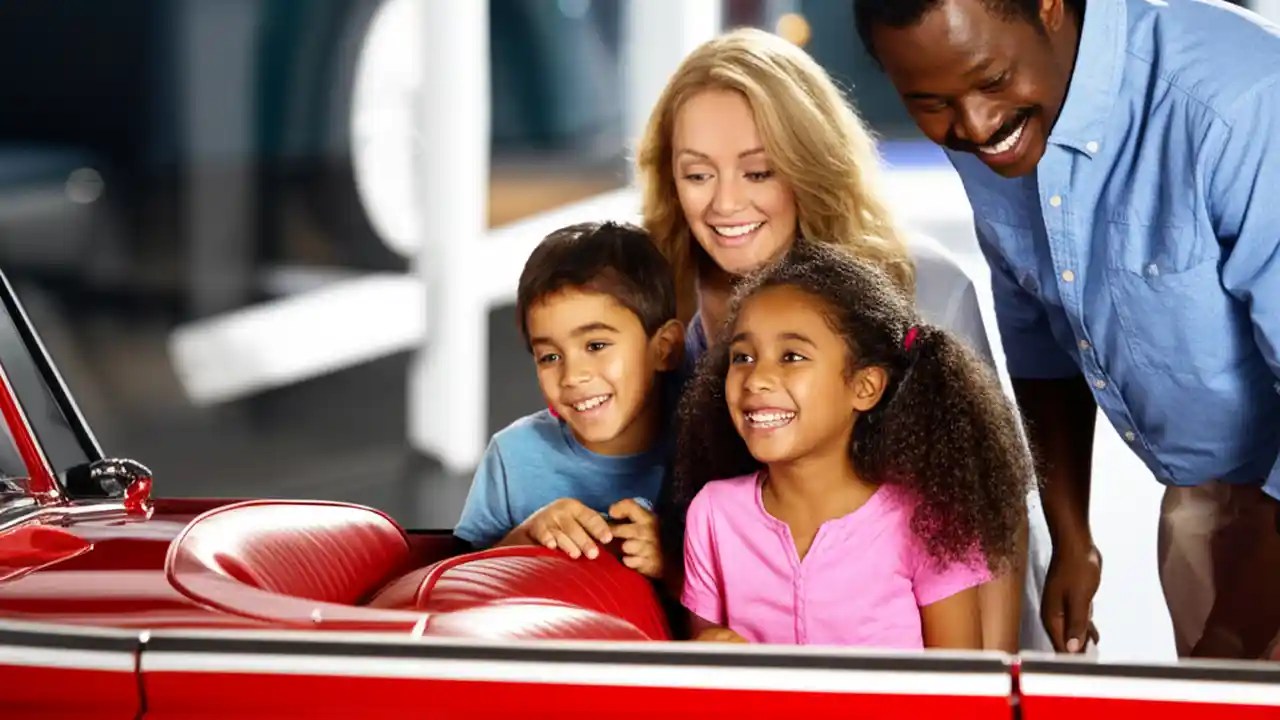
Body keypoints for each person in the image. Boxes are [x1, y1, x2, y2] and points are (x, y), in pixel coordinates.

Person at [854, 0, 1280, 658]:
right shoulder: (987, 123)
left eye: (992, 82)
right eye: (930, 101)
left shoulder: (1242, 103)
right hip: (1208, 493)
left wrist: (1235, 634)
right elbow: (1038, 328)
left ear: (1050, 7)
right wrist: (1070, 538)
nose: (974, 125)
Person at [636, 26, 1051, 651]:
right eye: (698, 175)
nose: (725, 203)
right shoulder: (656, 302)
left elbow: (987, 512)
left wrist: (989, 684)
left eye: (758, 172)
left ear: (807, 163)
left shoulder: (922, 287)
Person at [673, 240, 1032, 647]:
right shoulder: (713, 514)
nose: (756, 379)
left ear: (864, 387)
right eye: (743, 357)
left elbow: (958, 690)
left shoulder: (927, 521)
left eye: (792, 357)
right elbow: (704, 676)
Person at [453, 221, 683, 580]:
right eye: (549, 357)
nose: (572, 376)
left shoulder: (703, 452)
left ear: (664, 348)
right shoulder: (513, 456)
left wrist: (671, 564)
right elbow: (461, 584)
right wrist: (525, 538)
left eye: (596, 346)